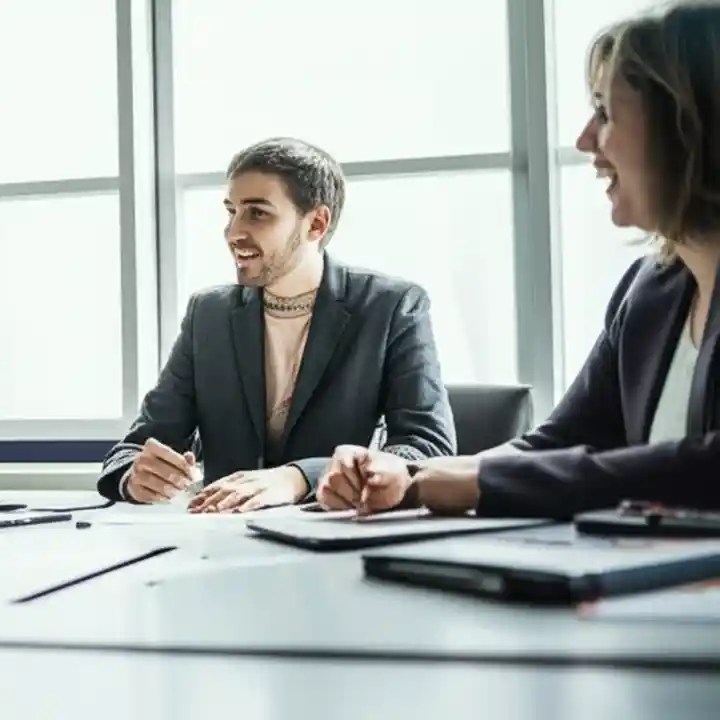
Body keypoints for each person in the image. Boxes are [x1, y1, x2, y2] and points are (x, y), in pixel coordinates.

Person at [325, 1, 720, 518]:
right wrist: (409, 477)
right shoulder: (652, 289)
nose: (584, 141)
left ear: (687, 125)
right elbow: (561, 441)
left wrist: (482, 482)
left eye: (604, 112)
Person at [98, 137, 456, 511]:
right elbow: (135, 447)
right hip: (219, 539)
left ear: (316, 223)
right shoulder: (208, 313)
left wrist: (300, 476)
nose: (233, 232)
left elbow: (427, 448)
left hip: (334, 536)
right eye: (230, 211)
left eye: (257, 213)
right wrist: (134, 476)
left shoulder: (390, 306)